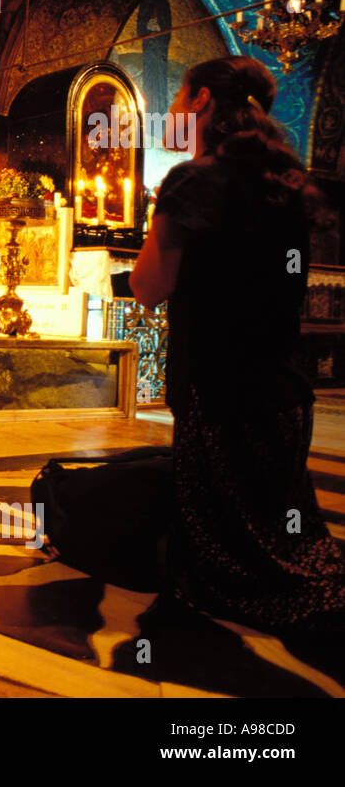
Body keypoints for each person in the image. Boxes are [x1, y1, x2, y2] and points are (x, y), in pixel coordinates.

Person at [130, 55, 345, 637]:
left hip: (217, 400)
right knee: (286, 540)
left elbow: (148, 288)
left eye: (177, 97)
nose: (170, 111)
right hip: (281, 400)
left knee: (226, 571)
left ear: (200, 102)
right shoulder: (285, 182)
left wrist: (161, 211)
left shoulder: (193, 181)